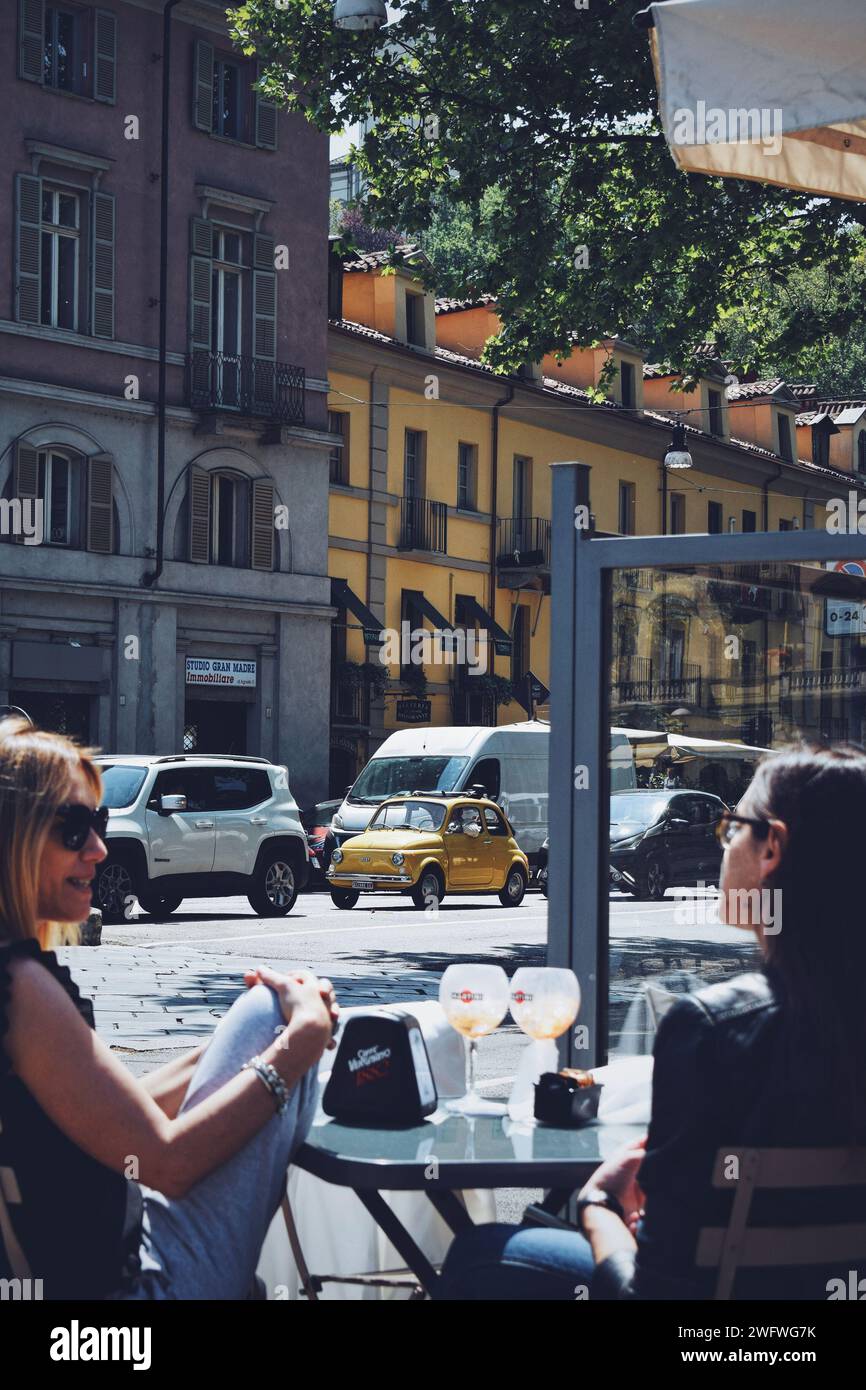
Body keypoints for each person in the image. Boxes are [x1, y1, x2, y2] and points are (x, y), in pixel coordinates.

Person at [437, 742, 866, 1300]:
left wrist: (598, 1209)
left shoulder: (713, 1030)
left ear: (771, 848)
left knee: (478, 1253)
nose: (726, 841)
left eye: (734, 825)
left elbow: (653, 1293)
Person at [0, 717, 338, 1300]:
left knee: (266, 1011)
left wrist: (245, 1042)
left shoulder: (16, 974)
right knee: (280, 1015)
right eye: (75, 829)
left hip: (94, 1263)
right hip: (132, 1290)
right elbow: (165, 1162)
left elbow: (111, 1117)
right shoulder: (22, 987)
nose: (100, 848)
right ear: (14, 840)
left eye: (99, 824)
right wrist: (296, 1045)